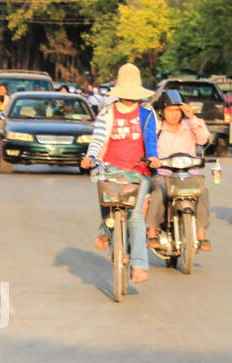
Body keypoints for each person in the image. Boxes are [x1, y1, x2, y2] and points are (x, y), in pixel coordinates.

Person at [80, 63, 161, 285]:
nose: (128, 98)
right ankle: (106, 226)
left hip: (139, 168)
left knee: (135, 216)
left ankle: (139, 265)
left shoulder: (147, 112)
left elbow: (151, 140)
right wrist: (90, 158)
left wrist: (153, 156)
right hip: (110, 166)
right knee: (107, 199)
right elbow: (97, 140)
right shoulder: (107, 112)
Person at [146, 90, 212, 253]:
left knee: (202, 192)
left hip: (189, 174)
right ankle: (152, 232)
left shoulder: (191, 124)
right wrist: (152, 160)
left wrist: (192, 117)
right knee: (158, 193)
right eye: (170, 110)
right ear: (162, 111)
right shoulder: (157, 127)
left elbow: (203, 139)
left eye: (177, 110)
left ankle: (201, 235)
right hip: (164, 174)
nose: (174, 115)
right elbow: (148, 145)